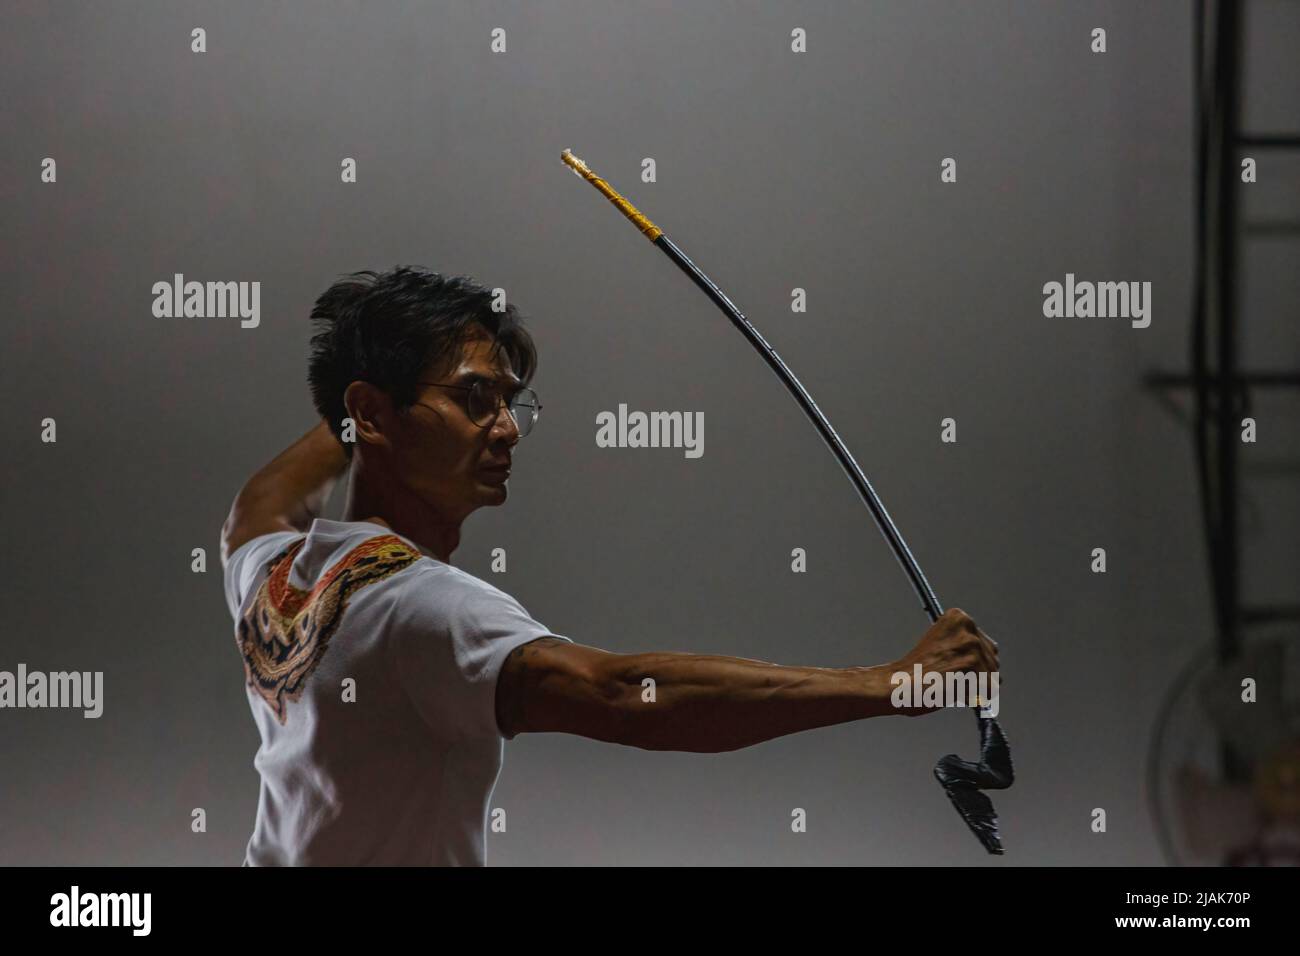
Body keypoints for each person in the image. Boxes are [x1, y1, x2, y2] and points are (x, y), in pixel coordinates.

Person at [220, 265, 999, 865]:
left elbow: (259, 500)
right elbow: (623, 693)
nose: (508, 430)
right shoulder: (424, 606)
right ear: (375, 412)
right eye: (474, 398)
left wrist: (368, 391)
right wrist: (889, 685)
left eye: (511, 403)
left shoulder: (270, 573)